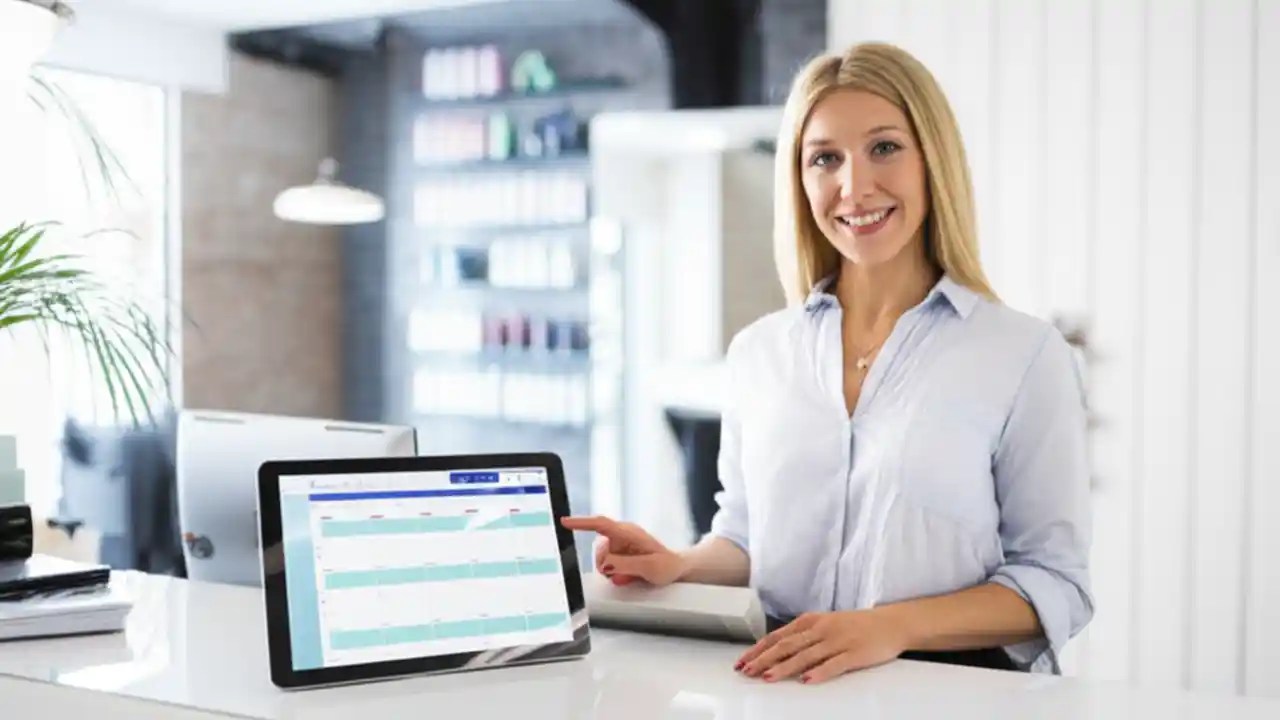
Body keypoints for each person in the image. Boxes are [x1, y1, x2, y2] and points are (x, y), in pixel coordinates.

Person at [562, 42, 1093, 684]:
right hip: (786, 689)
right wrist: (679, 564)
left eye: (885, 148)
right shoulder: (760, 352)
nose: (854, 186)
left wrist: (891, 626)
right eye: (825, 158)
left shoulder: (1024, 355)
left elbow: (1054, 582)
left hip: (946, 693)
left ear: (934, 160)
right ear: (800, 178)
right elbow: (749, 543)